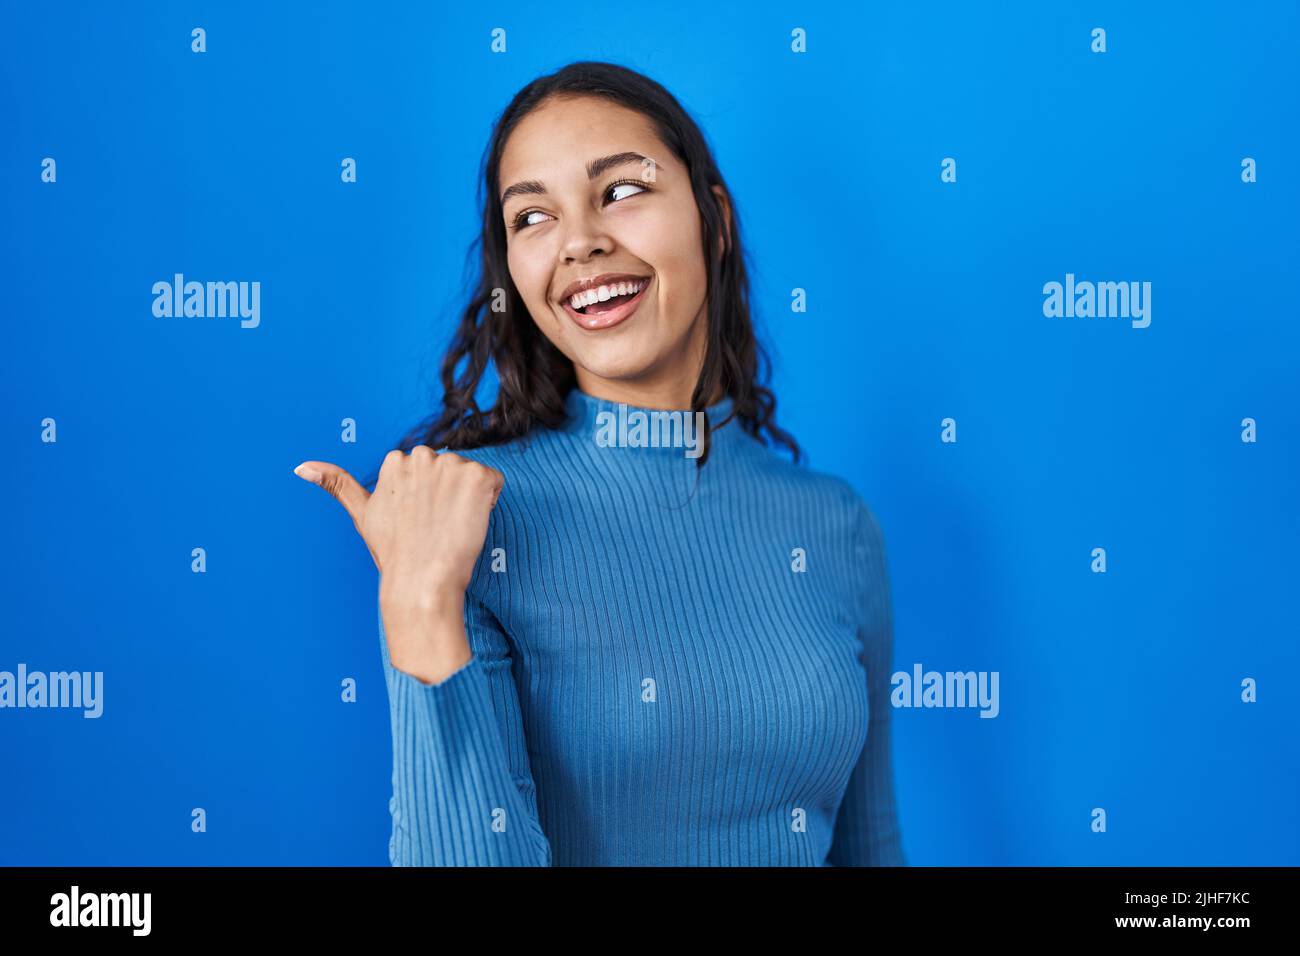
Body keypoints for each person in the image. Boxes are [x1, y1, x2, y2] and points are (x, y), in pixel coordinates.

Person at [294, 61, 905, 867]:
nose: (581, 241)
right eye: (532, 217)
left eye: (620, 191)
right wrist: (418, 598)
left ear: (712, 220)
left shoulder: (837, 527)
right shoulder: (472, 525)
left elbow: (873, 850)